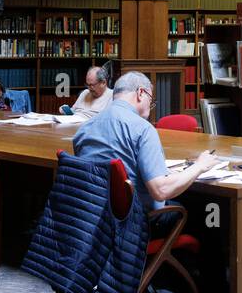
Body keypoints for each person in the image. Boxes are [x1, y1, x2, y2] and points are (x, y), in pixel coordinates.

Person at [72, 71, 220, 224]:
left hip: (93, 220)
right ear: (140, 93)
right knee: (203, 209)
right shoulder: (143, 129)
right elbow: (161, 191)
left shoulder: (85, 128)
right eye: (151, 99)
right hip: (135, 223)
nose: (151, 105)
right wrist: (199, 166)